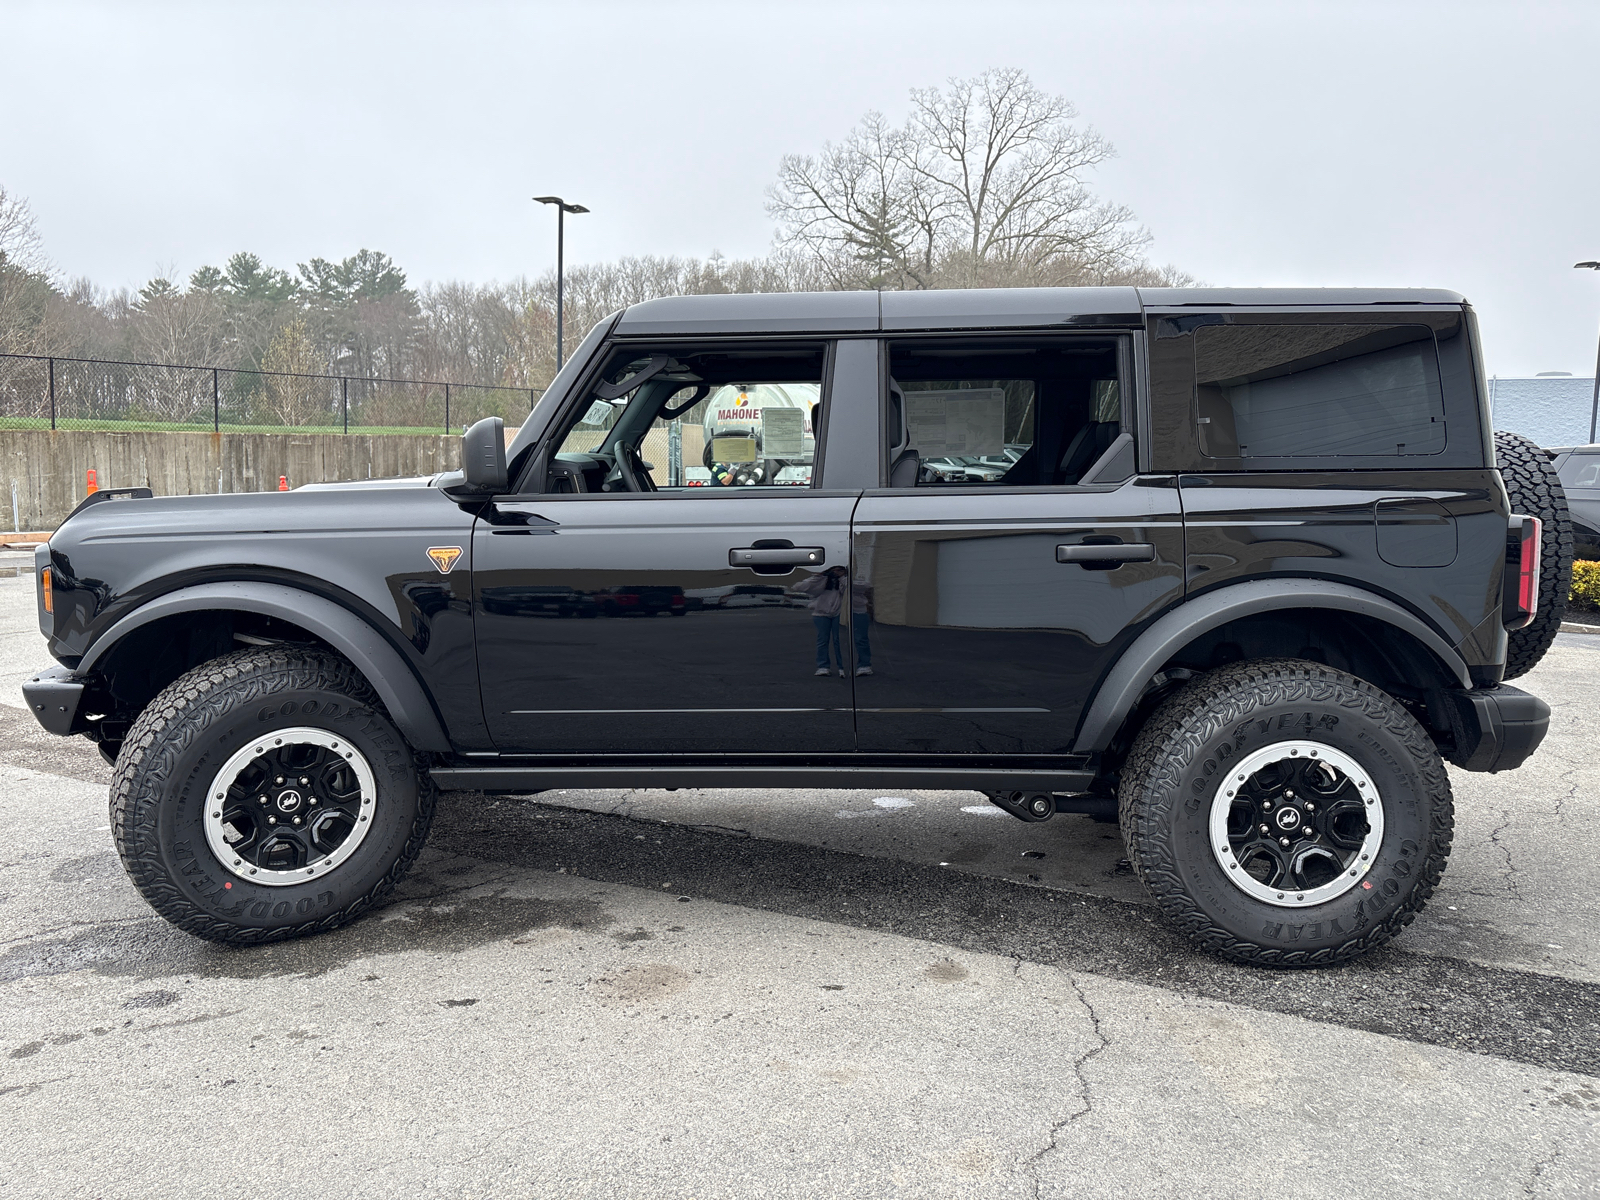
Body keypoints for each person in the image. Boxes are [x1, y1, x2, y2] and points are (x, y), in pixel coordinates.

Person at [794, 566, 846, 676]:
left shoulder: (843, 581)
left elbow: (849, 588)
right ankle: (823, 666)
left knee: (838, 641)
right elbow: (798, 587)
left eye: (840, 570)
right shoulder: (821, 581)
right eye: (834, 570)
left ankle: (842, 667)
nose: (836, 573)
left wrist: (842, 577)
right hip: (821, 614)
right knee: (823, 640)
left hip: (837, 613)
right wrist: (818, 576)